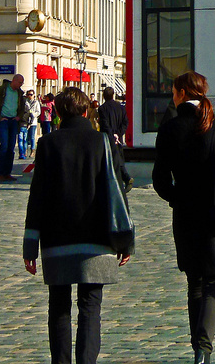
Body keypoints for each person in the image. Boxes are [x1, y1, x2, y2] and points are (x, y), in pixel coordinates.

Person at [24, 86, 133, 364]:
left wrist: (30, 245)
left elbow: (37, 197)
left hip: (57, 240)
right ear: (87, 111)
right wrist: (125, 240)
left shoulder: (47, 144)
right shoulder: (102, 142)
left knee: (58, 307)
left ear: (58, 113)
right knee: (90, 307)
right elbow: (115, 191)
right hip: (96, 239)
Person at [153, 71, 215, 364]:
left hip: (185, 217)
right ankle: (203, 349)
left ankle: (198, 345)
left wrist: (177, 197)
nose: (172, 96)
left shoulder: (169, 129)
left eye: (173, 91)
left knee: (195, 281)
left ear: (182, 93)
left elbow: (159, 180)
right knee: (212, 284)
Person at [0, 73, 25, 182]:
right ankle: (0, 173)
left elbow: (22, 107)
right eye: (20, 82)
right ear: (14, 81)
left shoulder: (19, 93)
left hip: (13, 121)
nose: (21, 85)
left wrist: (19, 116)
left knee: (11, 147)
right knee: (4, 146)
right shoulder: (2, 90)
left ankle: (7, 173)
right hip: (3, 120)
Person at [98, 88, 132, 192]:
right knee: (119, 159)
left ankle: (126, 178)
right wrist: (119, 134)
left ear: (104, 96)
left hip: (108, 138)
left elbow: (105, 124)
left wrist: (112, 135)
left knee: (112, 160)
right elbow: (125, 122)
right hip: (118, 138)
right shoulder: (121, 107)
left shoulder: (102, 108)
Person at [19, 89, 41, 158]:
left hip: (33, 122)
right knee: (25, 137)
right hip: (25, 121)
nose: (29, 96)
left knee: (31, 137)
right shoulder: (25, 102)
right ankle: (25, 151)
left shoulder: (36, 102)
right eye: (28, 94)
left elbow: (38, 112)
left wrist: (32, 114)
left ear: (34, 95)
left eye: (31, 95)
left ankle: (32, 150)